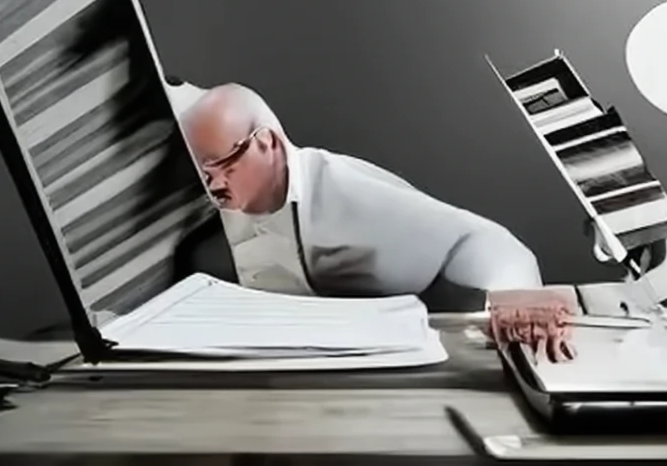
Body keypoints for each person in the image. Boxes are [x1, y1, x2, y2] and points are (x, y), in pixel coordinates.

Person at [167, 79, 575, 361]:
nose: (213, 184)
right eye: (203, 171)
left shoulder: (343, 191)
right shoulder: (211, 195)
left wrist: (513, 296)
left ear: (267, 143)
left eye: (224, 166)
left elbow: (489, 242)